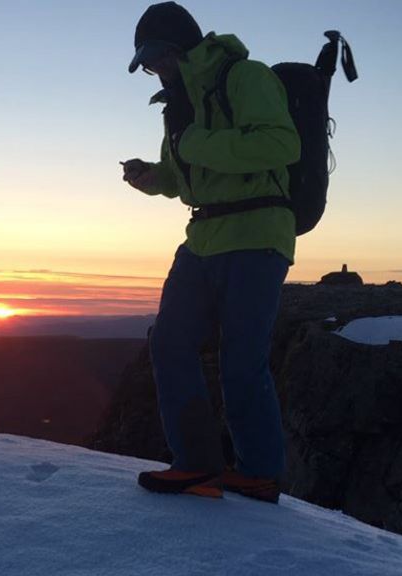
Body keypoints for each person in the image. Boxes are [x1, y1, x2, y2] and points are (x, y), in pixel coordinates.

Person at [123, 2, 300, 503]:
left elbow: (281, 144)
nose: (152, 70)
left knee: (242, 359)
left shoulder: (245, 77)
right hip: (204, 236)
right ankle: (197, 464)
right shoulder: (177, 104)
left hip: (258, 232)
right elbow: (184, 179)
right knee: (169, 340)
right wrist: (151, 178)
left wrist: (197, 144)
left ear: (175, 48)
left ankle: (260, 472)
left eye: (153, 58)